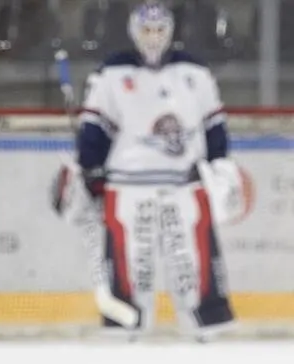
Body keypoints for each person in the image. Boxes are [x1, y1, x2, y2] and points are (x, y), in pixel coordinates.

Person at [51, 2, 242, 339]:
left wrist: (219, 163)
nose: (153, 38)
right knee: (129, 263)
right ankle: (126, 324)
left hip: (184, 183)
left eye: (159, 30)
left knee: (192, 262)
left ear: (169, 32)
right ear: (133, 32)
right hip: (127, 185)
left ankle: (205, 326)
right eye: (146, 30)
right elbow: (95, 126)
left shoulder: (194, 72)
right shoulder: (112, 72)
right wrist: (90, 167)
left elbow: (214, 126)